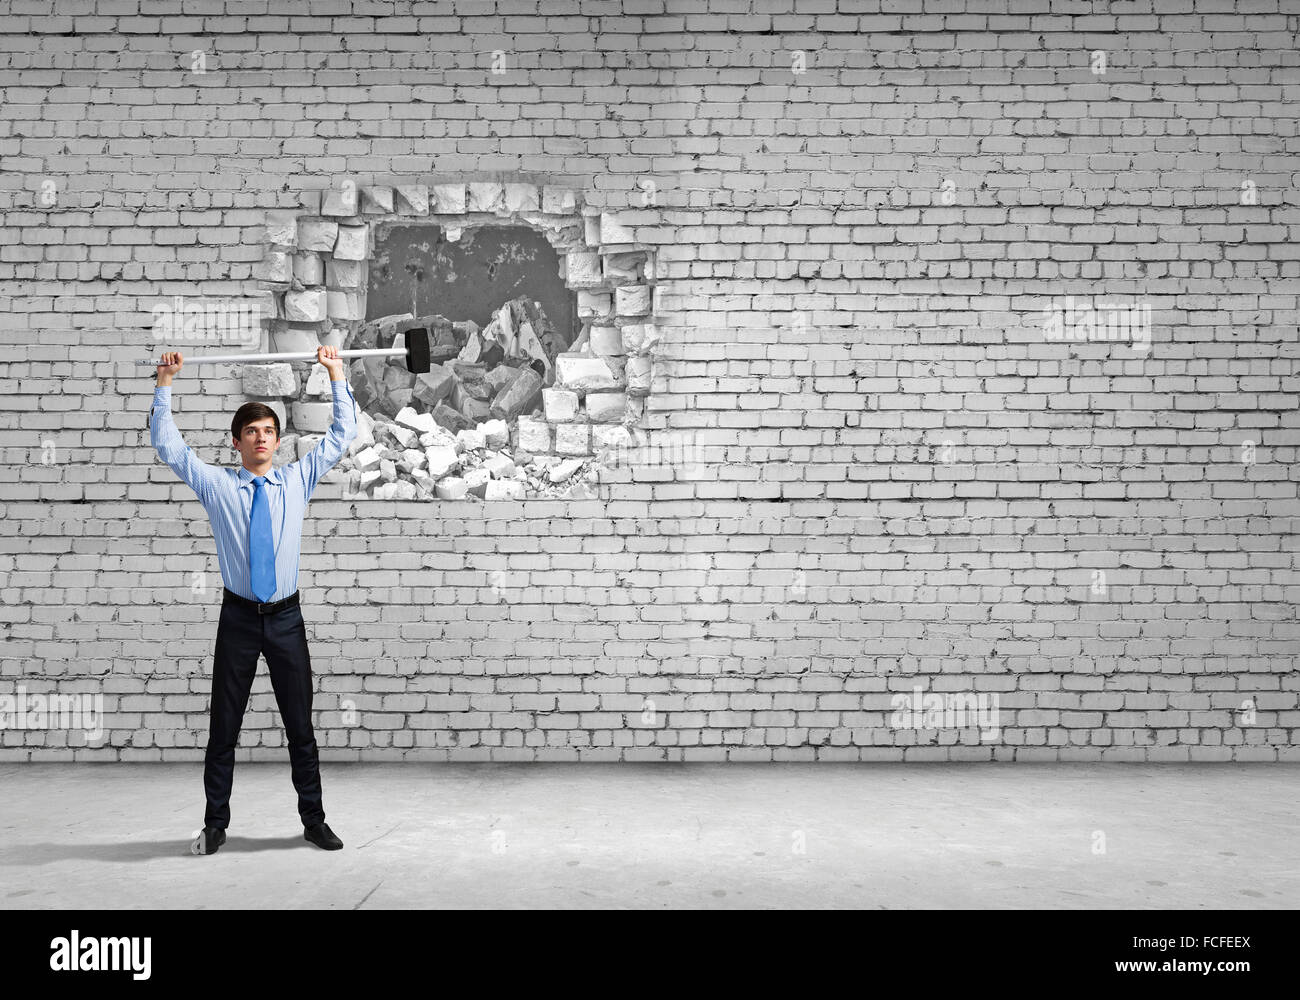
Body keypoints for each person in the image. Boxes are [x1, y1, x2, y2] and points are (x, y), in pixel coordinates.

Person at [148, 346, 358, 854]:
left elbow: (340, 437)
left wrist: (335, 374)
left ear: (277, 441)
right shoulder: (218, 486)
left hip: (286, 618)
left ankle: (314, 819)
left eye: (268, 432)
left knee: (300, 727)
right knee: (224, 727)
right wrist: (165, 385)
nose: (261, 439)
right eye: (252, 433)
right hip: (239, 619)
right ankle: (215, 824)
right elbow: (171, 449)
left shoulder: (296, 480)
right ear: (237, 442)